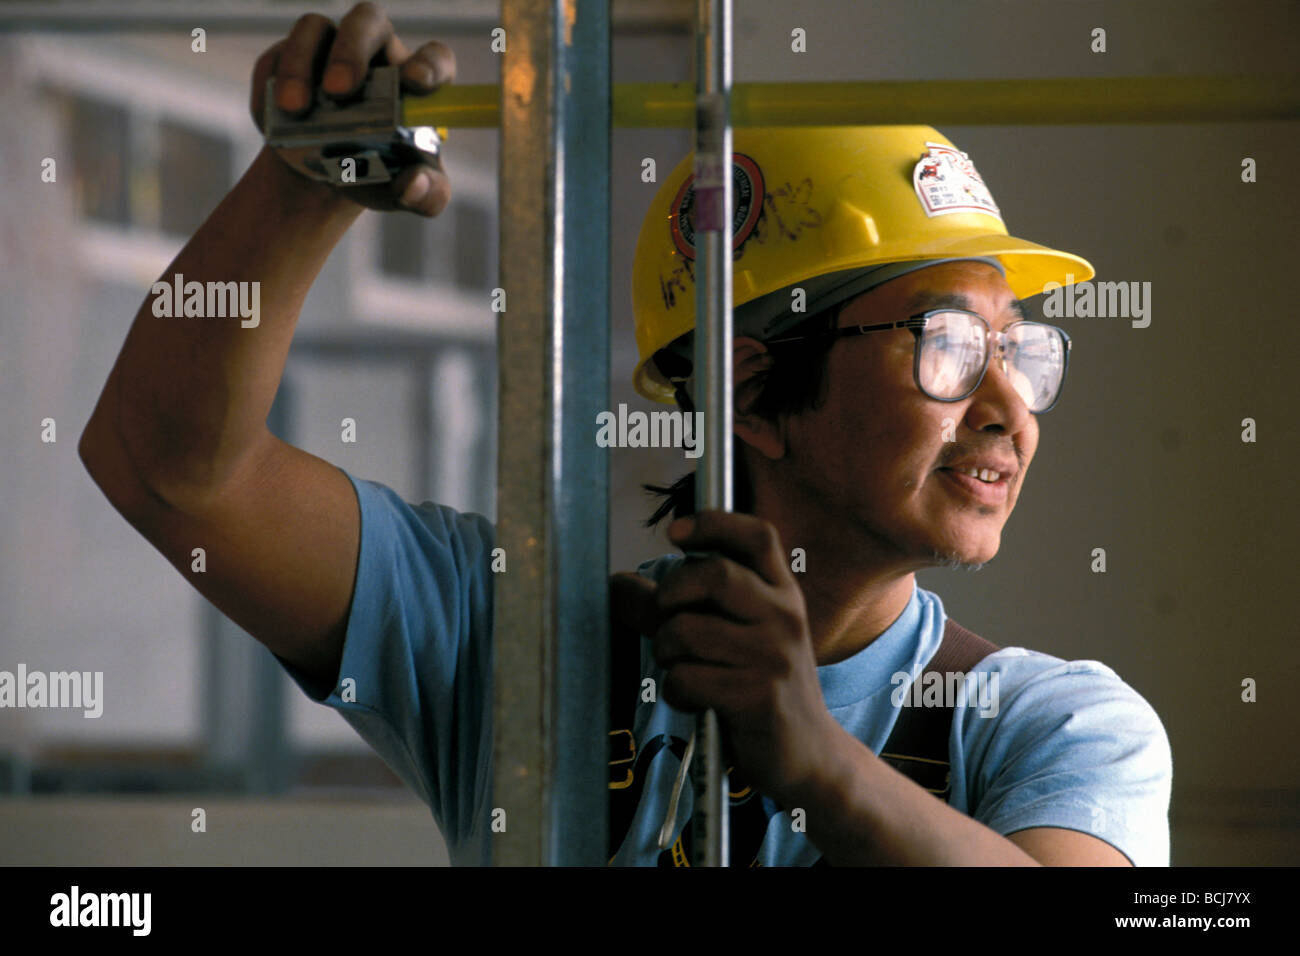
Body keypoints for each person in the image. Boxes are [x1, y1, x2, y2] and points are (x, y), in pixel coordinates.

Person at [78, 3, 1171, 867]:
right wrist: (300, 184)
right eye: (945, 346)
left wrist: (815, 762)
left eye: (1021, 355)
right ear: (747, 397)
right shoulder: (521, 654)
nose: (1008, 407)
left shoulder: (1050, 723)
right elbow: (174, 473)